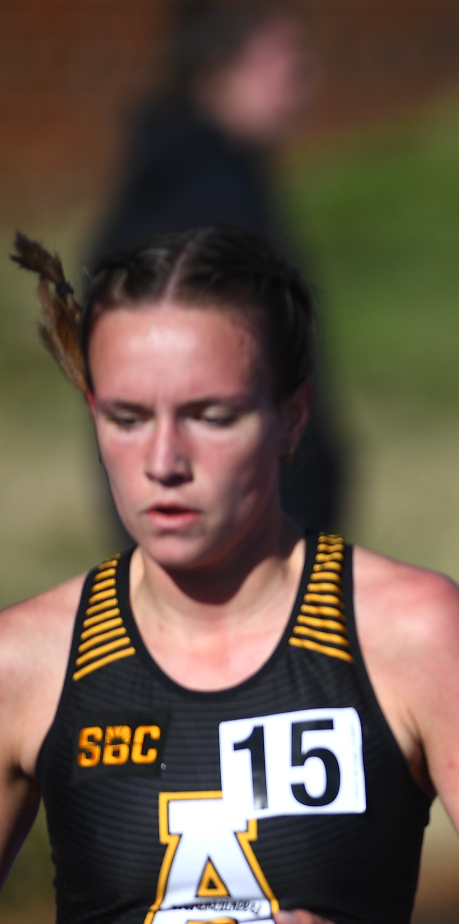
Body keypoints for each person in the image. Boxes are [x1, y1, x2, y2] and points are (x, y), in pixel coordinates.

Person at [0, 227, 459, 924]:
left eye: (211, 416)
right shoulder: (26, 659)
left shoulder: (410, 632)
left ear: (291, 417)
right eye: (127, 418)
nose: (164, 462)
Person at [91, 0, 346, 537]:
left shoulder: (202, 176)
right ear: (218, 69)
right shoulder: (205, 200)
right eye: (285, 62)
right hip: (237, 534)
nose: (304, 82)